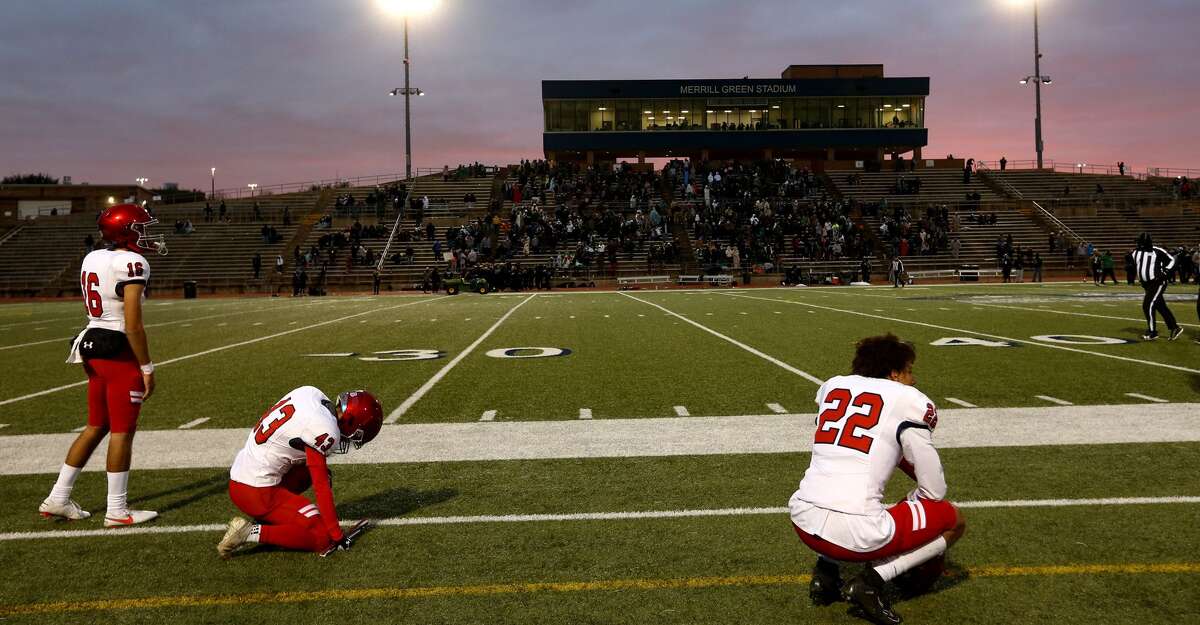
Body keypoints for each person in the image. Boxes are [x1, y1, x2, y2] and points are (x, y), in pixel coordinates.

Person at [790, 334, 964, 625]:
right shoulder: (908, 399)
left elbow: (842, 448)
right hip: (857, 535)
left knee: (841, 488)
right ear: (894, 373)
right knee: (952, 518)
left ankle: (827, 573)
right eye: (909, 371)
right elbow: (934, 490)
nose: (914, 379)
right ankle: (871, 582)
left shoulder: (832, 386)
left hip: (802, 520)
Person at [40, 204, 166, 527]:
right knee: (122, 431)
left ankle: (58, 497)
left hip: (92, 347)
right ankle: (117, 510)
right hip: (118, 352)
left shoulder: (92, 257)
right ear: (126, 231)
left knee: (97, 425)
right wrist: (147, 367)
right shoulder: (133, 263)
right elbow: (133, 324)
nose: (146, 234)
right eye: (141, 228)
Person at [217, 387, 383, 558]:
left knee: (311, 473)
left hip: (243, 473)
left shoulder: (311, 393)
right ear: (352, 421)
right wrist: (336, 535)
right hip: (256, 491)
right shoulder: (324, 429)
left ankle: (272, 517)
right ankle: (249, 532)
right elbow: (321, 487)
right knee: (321, 537)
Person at [1132, 233, 1183, 341]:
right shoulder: (1135, 252)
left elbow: (1173, 260)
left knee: (1148, 305)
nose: (1138, 244)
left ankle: (1152, 332)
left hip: (1157, 282)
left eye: (1140, 242)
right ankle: (1175, 328)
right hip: (1146, 284)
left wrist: (1165, 272)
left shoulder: (1157, 251)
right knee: (1160, 306)